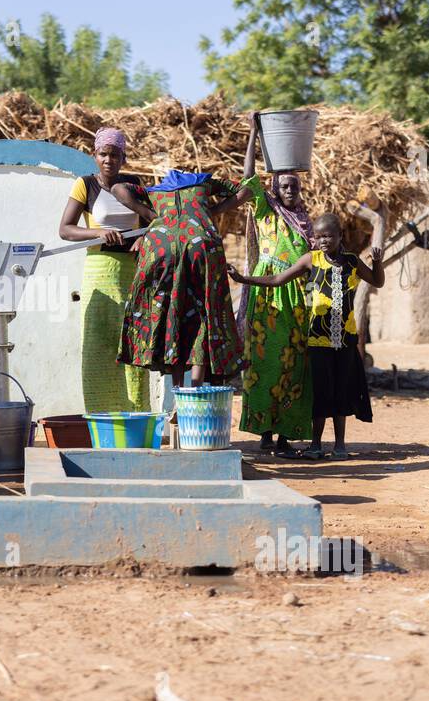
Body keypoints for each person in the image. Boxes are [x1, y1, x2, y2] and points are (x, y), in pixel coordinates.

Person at [231, 212, 383, 460]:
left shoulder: (352, 262)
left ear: (339, 236)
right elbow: (278, 279)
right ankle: (315, 444)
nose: (324, 241)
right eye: (319, 236)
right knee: (321, 393)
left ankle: (340, 445)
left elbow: (377, 281)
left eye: (329, 236)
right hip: (317, 340)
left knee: (340, 392)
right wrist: (243, 279)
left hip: (346, 340)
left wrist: (377, 263)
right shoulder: (311, 260)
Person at [224, 116, 314, 458]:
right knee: (263, 364)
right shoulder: (265, 210)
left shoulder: (306, 223)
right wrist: (253, 134)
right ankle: (263, 430)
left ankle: (285, 436)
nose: (290, 191)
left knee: (292, 364)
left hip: (293, 300)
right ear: (274, 189)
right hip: (265, 296)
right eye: (285, 186)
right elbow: (247, 176)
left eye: (295, 186)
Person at [118, 160, 248, 392]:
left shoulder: (153, 191)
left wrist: (150, 214)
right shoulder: (205, 183)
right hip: (200, 240)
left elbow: (118, 189)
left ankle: (178, 390)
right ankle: (195, 389)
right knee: (204, 311)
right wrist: (213, 211)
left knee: (171, 311)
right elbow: (245, 189)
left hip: (160, 244)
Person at [58, 127, 155, 412]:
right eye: (103, 154)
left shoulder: (134, 185)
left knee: (133, 343)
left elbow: (153, 221)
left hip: (133, 272)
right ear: (95, 155)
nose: (109, 160)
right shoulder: (85, 185)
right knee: (98, 346)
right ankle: (101, 417)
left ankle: (137, 416)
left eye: (115, 154)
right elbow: (65, 229)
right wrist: (97, 233)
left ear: (123, 157)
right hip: (100, 271)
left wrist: (142, 238)